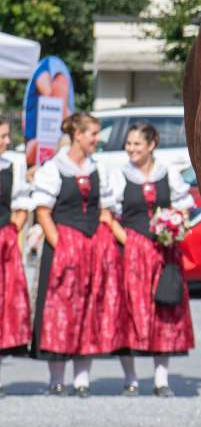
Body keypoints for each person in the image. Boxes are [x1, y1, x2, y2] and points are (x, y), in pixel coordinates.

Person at [28, 112, 124, 396]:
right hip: (63, 245)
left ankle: (82, 378)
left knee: (88, 308)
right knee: (59, 310)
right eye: (93, 134)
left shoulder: (99, 168)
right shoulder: (54, 168)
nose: (97, 139)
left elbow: (104, 209)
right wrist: (62, 246)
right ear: (78, 135)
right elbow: (43, 212)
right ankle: (56, 378)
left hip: (92, 245)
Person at [106, 122, 196, 396]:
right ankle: (130, 378)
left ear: (151, 145)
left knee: (164, 310)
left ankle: (161, 379)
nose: (131, 149)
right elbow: (108, 216)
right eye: (128, 144)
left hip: (163, 252)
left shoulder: (166, 173)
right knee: (129, 312)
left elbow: (182, 210)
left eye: (136, 144)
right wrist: (130, 242)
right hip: (130, 253)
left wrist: (174, 226)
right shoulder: (119, 175)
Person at [0, 120, 33, 391]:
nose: (7, 142)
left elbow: (21, 203)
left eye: (7, 136)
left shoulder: (12, 166)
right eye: (2, 137)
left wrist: (13, 229)